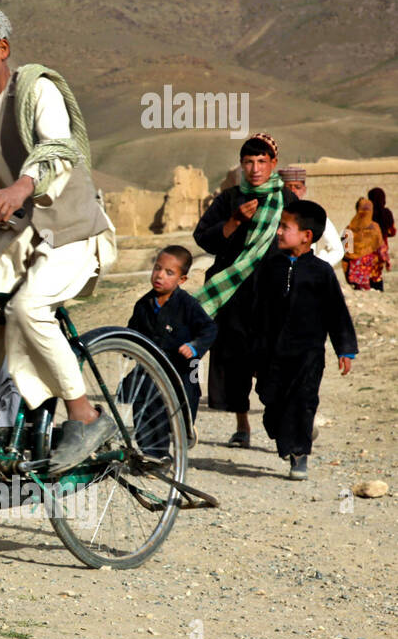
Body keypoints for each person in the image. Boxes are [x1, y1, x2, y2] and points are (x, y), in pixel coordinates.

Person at [0, 2, 117, 474]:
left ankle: (84, 414)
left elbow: (58, 145)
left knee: (27, 308)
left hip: (67, 230)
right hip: (12, 235)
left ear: (1, 48)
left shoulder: (36, 87)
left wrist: (23, 185)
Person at [252, 200, 357, 480]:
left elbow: (337, 312)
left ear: (306, 236)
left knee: (302, 400)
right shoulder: (270, 268)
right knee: (271, 406)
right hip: (272, 354)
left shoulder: (321, 271)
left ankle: (299, 454)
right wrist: (254, 350)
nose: (278, 232)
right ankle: (298, 429)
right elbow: (258, 311)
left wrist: (345, 348)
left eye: (285, 227)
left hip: (308, 354)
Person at [192, 133, 285, 448]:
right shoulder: (230, 199)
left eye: (262, 161)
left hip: (273, 295)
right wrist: (232, 221)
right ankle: (242, 425)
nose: (255, 168)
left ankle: (285, 419)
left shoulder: (288, 201)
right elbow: (203, 237)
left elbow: (302, 241)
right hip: (233, 295)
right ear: (242, 165)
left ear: (273, 164)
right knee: (236, 362)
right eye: (249, 162)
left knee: (275, 360)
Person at [126, 246, 217, 423]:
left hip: (182, 369)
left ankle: (184, 434)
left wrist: (194, 346)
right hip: (150, 368)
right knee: (145, 411)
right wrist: (128, 346)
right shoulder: (143, 304)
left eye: (169, 273)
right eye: (157, 268)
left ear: (182, 279)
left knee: (181, 412)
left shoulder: (188, 305)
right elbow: (133, 331)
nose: (160, 275)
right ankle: (152, 450)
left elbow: (209, 328)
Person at [280, 166, 344, 266]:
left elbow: (337, 249)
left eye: (297, 187)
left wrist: (314, 265)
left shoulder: (313, 214)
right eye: (289, 187)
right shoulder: (272, 212)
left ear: (304, 190)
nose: (293, 191)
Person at [342, 197, 388, 291]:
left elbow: (346, 253)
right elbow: (381, 249)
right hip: (373, 275)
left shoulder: (349, 229)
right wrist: (385, 261)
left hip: (356, 276)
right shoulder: (375, 227)